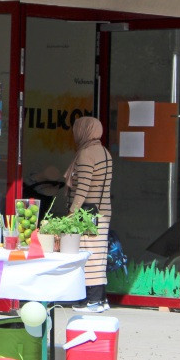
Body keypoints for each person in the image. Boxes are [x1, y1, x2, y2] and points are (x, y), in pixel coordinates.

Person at [65, 115, 114, 313]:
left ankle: (92, 300)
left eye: (77, 129)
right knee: (98, 254)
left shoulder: (86, 154)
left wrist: (71, 212)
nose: (75, 134)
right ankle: (101, 298)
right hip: (102, 211)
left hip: (88, 212)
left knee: (88, 254)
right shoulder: (105, 152)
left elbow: (82, 189)